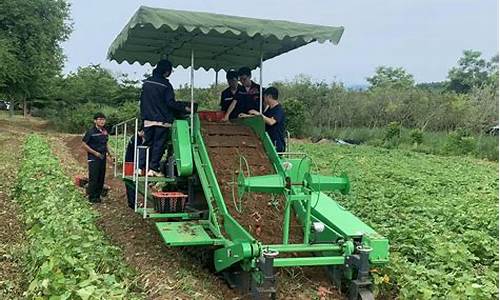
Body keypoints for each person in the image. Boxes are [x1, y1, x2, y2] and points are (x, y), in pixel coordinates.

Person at [140, 59, 190, 177]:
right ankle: (153, 169)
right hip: (162, 120)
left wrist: (143, 119)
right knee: (159, 144)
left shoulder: (147, 83)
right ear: (166, 71)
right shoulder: (166, 85)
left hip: (148, 119)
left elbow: (142, 102)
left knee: (146, 143)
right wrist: (184, 108)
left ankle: (140, 167)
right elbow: (170, 103)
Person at [82, 113, 113, 203]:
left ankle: (98, 196)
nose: (102, 121)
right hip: (93, 158)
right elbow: (83, 144)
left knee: (101, 177)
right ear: (95, 121)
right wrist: (95, 153)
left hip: (102, 157)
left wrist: (110, 154)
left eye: (103, 119)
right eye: (100, 119)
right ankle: (92, 197)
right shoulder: (91, 132)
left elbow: (105, 143)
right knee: (94, 177)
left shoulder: (104, 131)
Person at [244, 87, 286, 152]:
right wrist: (246, 116)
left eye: (264, 97)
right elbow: (261, 119)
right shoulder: (268, 110)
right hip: (268, 143)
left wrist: (258, 114)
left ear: (269, 96)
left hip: (276, 144)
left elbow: (271, 122)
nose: (264, 99)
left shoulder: (279, 110)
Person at [124, 129, 145, 209]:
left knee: (132, 182)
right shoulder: (136, 139)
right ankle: (132, 203)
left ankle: (132, 202)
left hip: (131, 162)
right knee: (130, 182)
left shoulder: (136, 138)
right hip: (130, 163)